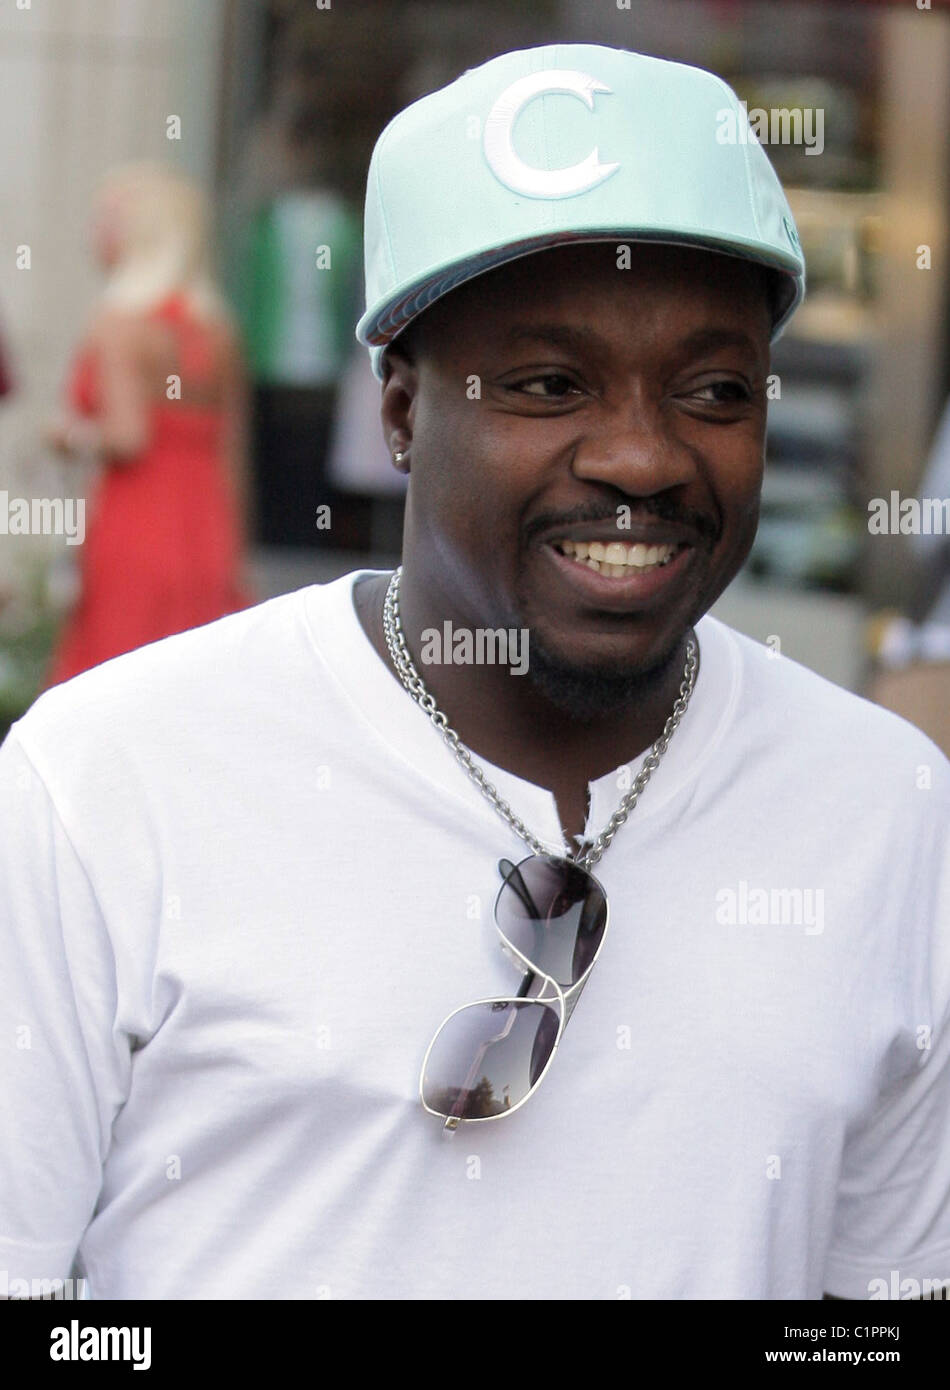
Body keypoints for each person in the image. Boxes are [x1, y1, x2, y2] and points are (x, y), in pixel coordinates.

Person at [1, 45, 948, 1302]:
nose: (640, 457)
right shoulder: (107, 780)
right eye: (548, 383)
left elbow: (873, 1311)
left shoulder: (886, 811)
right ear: (398, 410)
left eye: (712, 389)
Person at [42, 162, 253, 688]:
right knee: (193, 683)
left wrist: (66, 434)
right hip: (206, 526)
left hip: (134, 524)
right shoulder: (218, 329)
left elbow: (127, 437)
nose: (95, 237)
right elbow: (234, 454)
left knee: (112, 680)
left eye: (106, 223)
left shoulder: (118, 323)